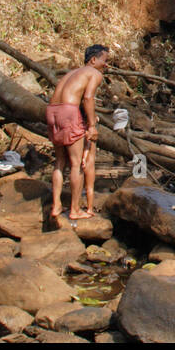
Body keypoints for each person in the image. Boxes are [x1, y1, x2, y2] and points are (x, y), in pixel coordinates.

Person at [46, 44, 108, 221]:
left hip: (52, 111)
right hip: (68, 112)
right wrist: (91, 125)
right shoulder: (95, 73)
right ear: (94, 60)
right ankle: (75, 210)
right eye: (105, 61)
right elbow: (88, 98)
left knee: (59, 162)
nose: (106, 65)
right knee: (76, 164)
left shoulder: (71, 73)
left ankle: (56, 205)